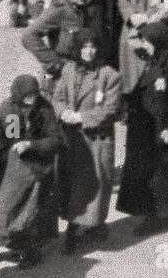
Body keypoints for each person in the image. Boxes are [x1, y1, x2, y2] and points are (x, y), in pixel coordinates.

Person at [116, 22, 168, 234]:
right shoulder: (159, 57)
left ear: (158, 41)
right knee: (159, 173)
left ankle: (158, 217)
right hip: (149, 126)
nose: (144, 45)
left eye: (147, 41)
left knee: (160, 175)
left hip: (164, 128)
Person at [0, 75, 65, 269]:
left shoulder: (44, 109)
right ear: (18, 95)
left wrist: (32, 145)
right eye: (27, 95)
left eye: (34, 94)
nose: (31, 99)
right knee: (0, 208)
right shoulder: (10, 110)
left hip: (36, 166)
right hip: (10, 166)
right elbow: (4, 140)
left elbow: (55, 139)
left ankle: (29, 250)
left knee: (29, 213)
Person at [51, 30, 123, 253]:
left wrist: (81, 117)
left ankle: (93, 224)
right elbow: (58, 97)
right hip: (72, 137)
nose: (89, 51)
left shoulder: (109, 75)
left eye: (93, 47)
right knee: (73, 183)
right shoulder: (69, 70)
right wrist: (63, 112)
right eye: (84, 46)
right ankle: (73, 229)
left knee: (97, 183)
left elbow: (110, 109)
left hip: (96, 138)